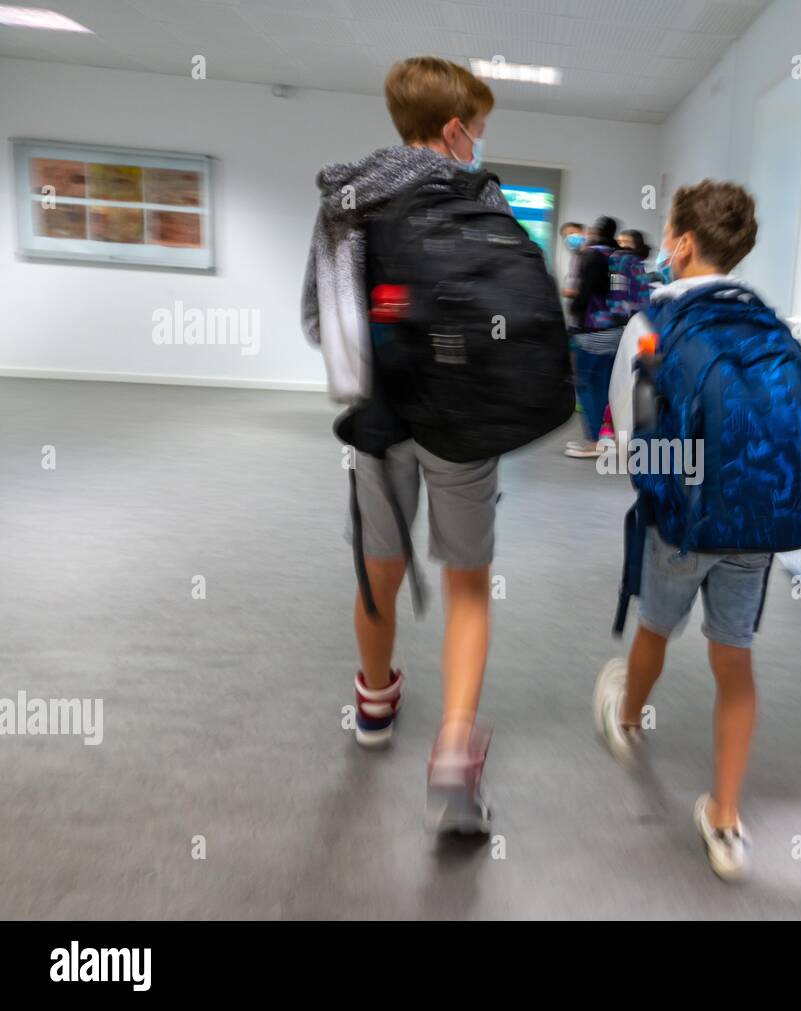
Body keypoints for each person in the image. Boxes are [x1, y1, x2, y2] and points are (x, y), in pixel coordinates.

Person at [302, 56, 504, 835]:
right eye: (478, 130)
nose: (480, 145)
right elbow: (505, 322)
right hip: (462, 422)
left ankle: (377, 702)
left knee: (377, 573)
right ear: (454, 129)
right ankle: (455, 747)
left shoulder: (344, 202)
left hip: (380, 422)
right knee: (468, 585)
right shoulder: (482, 200)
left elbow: (324, 322)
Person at [596, 181, 771, 882]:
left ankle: (629, 715)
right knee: (736, 659)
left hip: (681, 520)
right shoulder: (765, 320)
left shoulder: (653, 320)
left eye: (668, 232)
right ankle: (726, 820)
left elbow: (624, 427)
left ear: (685, 243)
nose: (662, 243)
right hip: (756, 520)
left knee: (655, 628)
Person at [565, 216, 628, 459]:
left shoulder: (592, 256)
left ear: (598, 231)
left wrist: (574, 314)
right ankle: (605, 438)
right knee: (603, 386)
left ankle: (592, 441)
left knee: (584, 385)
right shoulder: (620, 257)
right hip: (615, 331)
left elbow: (584, 293)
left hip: (591, 330)